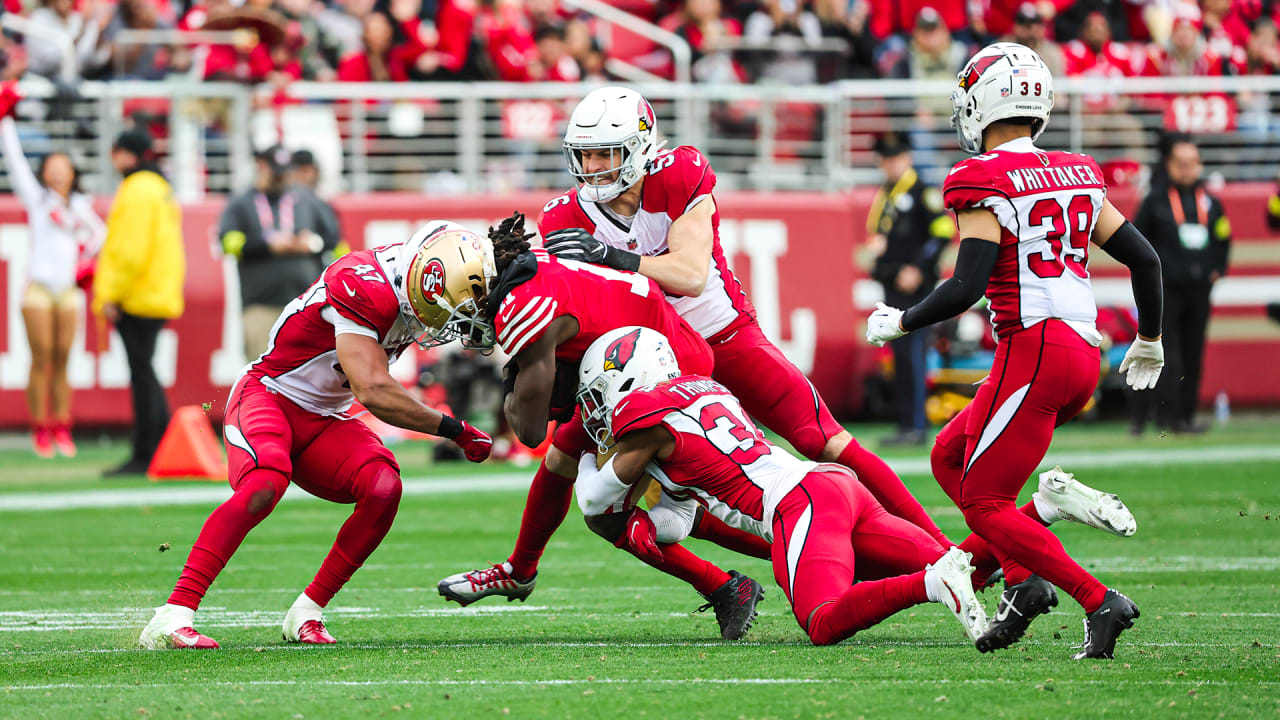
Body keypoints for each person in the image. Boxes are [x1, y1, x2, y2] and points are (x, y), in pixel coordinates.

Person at [529, 86, 956, 590]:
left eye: (606, 153)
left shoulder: (678, 173)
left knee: (825, 440)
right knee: (594, 466)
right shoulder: (562, 217)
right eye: (586, 155)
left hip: (723, 335)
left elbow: (688, 274)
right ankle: (525, 568)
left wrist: (610, 259)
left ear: (640, 148)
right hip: (658, 365)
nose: (594, 166)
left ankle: (947, 553)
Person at [865, 42, 1165, 659]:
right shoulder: (1078, 170)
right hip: (1083, 347)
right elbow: (1145, 258)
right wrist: (1151, 338)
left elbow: (967, 285)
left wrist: (903, 322)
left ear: (983, 103)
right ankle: (1023, 583)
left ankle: (1098, 599)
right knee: (950, 453)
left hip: (1035, 348)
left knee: (983, 502)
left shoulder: (980, 178)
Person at [139, 221, 494, 650]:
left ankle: (307, 611)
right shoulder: (364, 285)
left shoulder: (418, 278)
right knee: (265, 481)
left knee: (383, 486)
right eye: (442, 310)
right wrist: (453, 429)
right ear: (423, 280)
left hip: (325, 417)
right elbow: (373, 390)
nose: (444, 323)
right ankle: (172, 614)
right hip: (269, 396)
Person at [432, 213, 770, 641]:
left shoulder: (520, 308)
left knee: (610, 511)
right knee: (568, 458)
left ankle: (756, 573)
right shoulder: (526, 265)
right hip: (649, 353)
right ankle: (520, 569)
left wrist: (513, 377)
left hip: (653, 376)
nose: (459, 320)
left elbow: (529, 432)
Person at [573, 326, 989, 647]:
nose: (594, 409)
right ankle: (1041, 509)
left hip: (799, 504)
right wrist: (647, 525)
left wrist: (585, 455)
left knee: (822, 621)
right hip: (833, 484)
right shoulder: (701, 393)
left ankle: (932, 586)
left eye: (597, 394)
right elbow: (680, 519)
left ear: (632, 375)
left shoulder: (648, 420)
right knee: (956, 560)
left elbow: (593, 498)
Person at [0, 82, 105, 458]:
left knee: (62, 360)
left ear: (72, 173)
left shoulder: (79, 205)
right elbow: (13, 161)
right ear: (45, 173)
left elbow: (99, 234)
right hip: (40, 288)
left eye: (64, 168)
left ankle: (61, 424)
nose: (58, 174)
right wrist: (7, 121)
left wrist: (83, 262)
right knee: (41, 358)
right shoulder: (38, 200)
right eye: (53, 168)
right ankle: (40, 427)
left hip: (67, 290)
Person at [94, 127, 185, 477]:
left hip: (137, 295)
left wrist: (111, 294)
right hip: (156, 292)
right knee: (146, 370)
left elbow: (128, 252)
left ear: (126, 154)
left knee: (141, 373)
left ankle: (146, 451)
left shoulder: (136, 190)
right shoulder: (160, 188)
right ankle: (160, 444)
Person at [1132, 134, 1230, 435]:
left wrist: (1217, 269)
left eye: (1193, 163)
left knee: (1193, 353)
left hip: (1200, 290)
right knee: (1168, 353)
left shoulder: (1211, 202)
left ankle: (1185, 416)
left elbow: (1223, 238)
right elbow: (1137, 241)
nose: (1188, 169)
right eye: (1181, 163)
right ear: (1170, 165)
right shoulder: (1155, 200)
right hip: (1166, 291)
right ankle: (1164, 416)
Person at [866, 131, 953, 446]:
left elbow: (943, 232)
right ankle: (906, 425)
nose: (888, 164)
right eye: (884, 159)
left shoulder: (921, 191)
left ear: (907, 158)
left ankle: (917, 426)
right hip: (893, 284)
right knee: (900, 355)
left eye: (894, 158)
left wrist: (918, 268)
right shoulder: (887, 194)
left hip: (916, 287)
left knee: (914, 352)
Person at [219, 145, 339, 360]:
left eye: (286, 172)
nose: (282, 178)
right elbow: (228, 242)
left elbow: (334, 240)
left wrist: (312, 243)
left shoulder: (307, 199)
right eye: (276, 172)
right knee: (261, 373)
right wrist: (268, 245)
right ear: (261, 166)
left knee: (309, 374)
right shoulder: (241, 202)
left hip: (306, 306)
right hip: (261, 304)